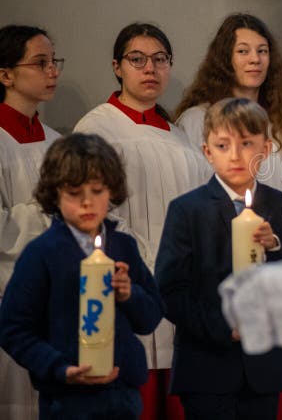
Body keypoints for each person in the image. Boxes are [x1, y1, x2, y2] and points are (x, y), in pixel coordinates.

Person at [74, 22, 210, 420]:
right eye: (138, 60)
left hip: (181, 284)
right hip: (129, 279)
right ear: (118, 67)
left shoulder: (178, 134)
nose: (150, 68)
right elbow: (93, 211)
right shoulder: (96, 127)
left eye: (160, 60)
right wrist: (145, 259)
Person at [0, 133, 163, 420]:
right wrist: (59, 368)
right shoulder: (42, 253)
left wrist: (129, 294)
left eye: (97, 190)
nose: (87, 203)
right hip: (68, 401)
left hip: (122, 395)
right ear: (54, 194)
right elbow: (13, 329)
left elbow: (151, 316)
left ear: (112, 190)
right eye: (75, 194)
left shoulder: (123, 246)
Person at [155, 98, 282, 420]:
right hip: (206, 368)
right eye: (223, 145)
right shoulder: (187, 210)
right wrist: (223, 328)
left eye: (246, 143)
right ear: (207, 151)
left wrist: (274, 248)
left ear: (267, 147)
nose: (235, 155)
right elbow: (169, 290)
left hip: (263, 369)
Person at [0, 25, 63, 420]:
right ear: (6, 75)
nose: (53, 71)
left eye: (54, 62)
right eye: (40, 63)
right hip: (9, 294)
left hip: (55, 296)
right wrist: (50, 212)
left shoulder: (58, 142)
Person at [175, 13, 282, 191]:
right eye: (243, 51)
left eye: (262, 51)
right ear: (225, 60)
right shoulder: (197, 120)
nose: (255, 59)